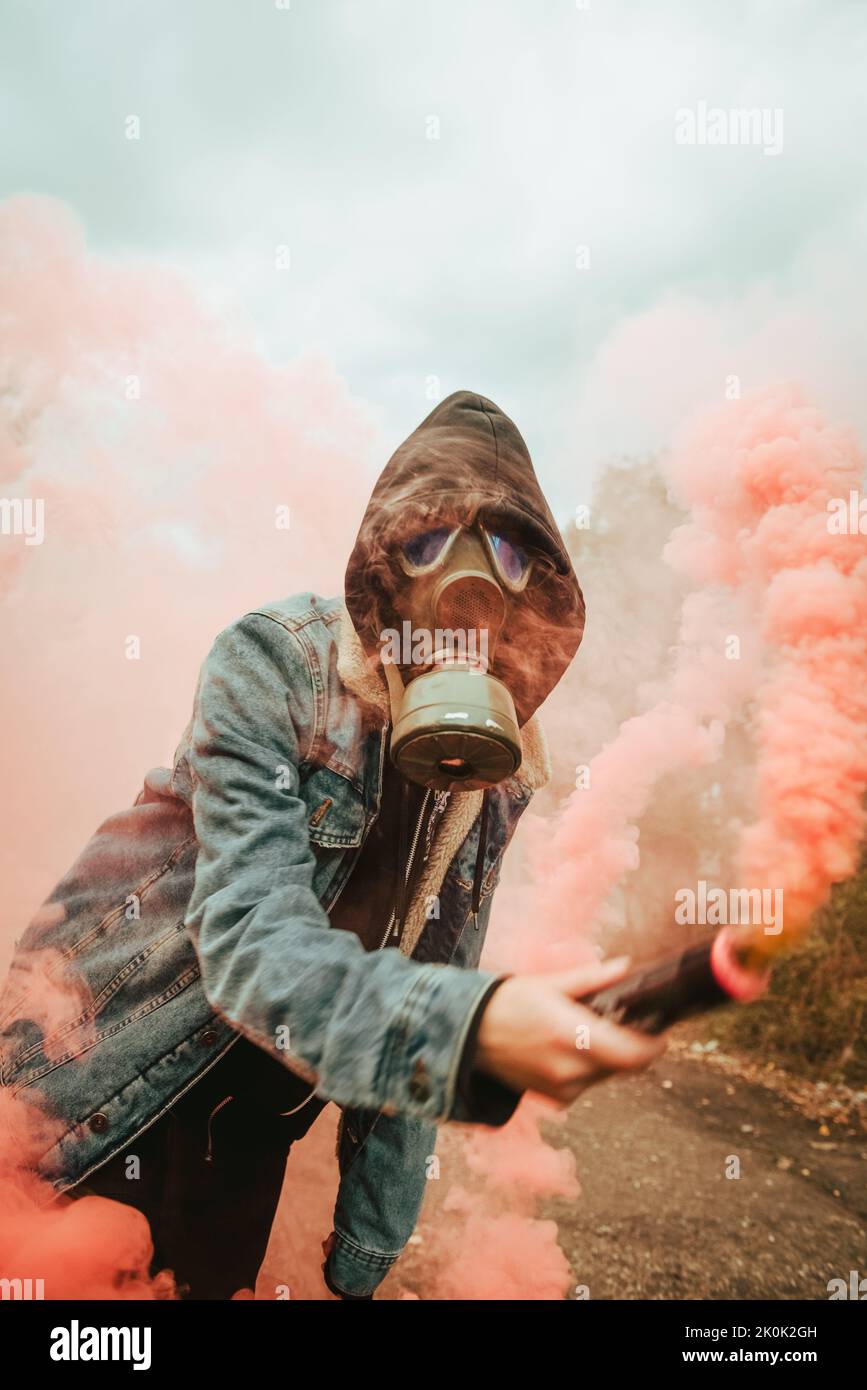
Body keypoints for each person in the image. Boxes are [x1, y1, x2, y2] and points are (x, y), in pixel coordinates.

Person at [0, 390, 665, 1300]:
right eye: (430, 543)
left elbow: (438, 964)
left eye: (507, 556)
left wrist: (364, 1248)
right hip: (105, 1081)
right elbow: (251, 939)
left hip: (253, 1124)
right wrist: (468, 1030)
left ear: (537, 592)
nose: (468, 587)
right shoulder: (273, 663)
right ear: (382, 563)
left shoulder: (494, 772)